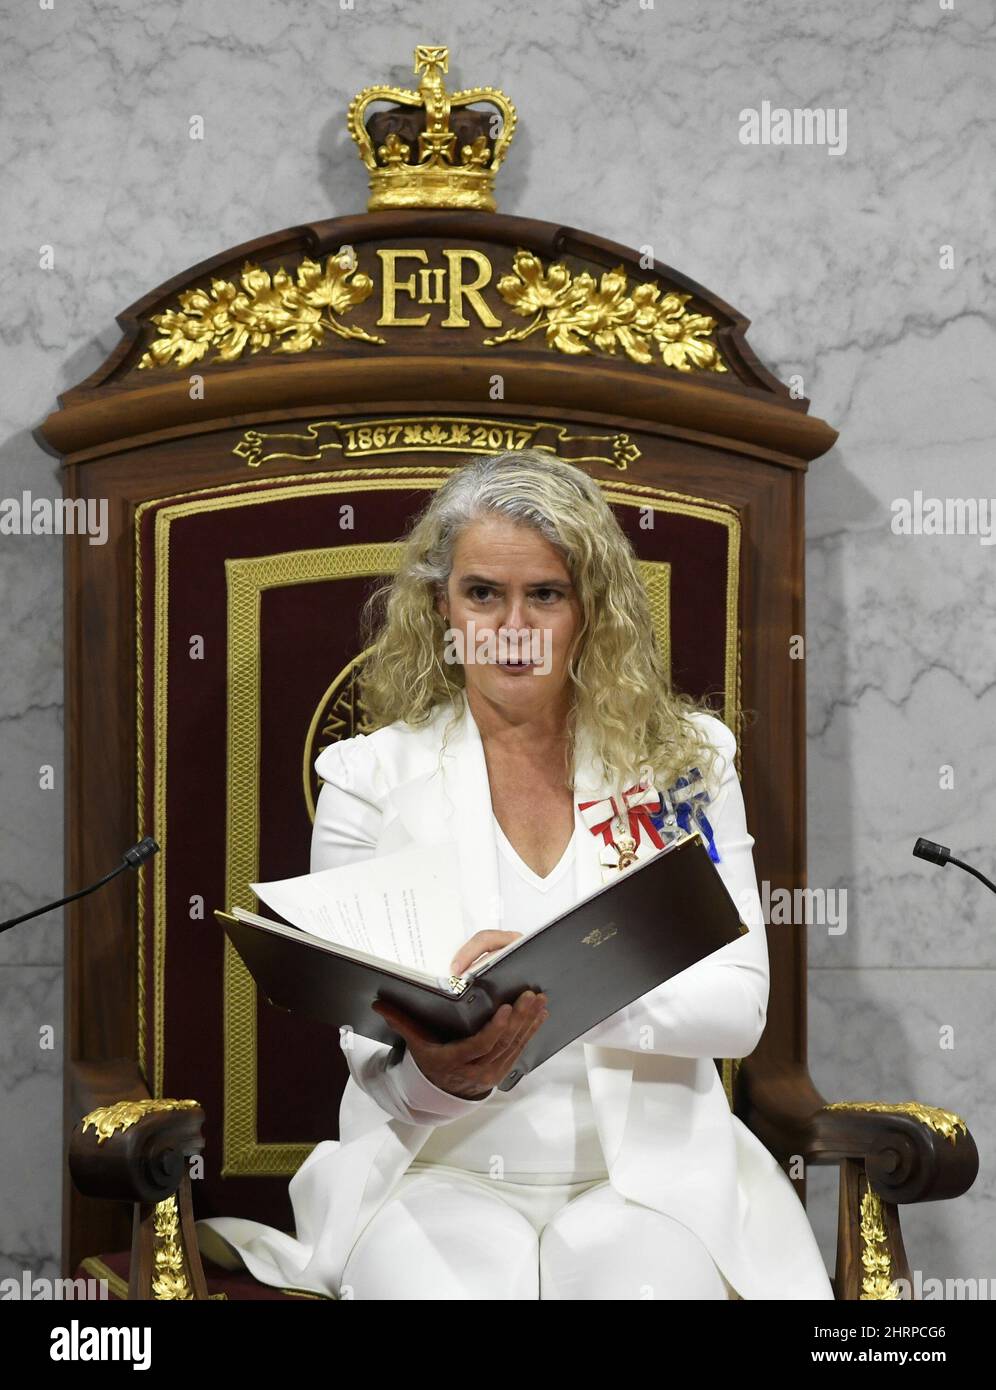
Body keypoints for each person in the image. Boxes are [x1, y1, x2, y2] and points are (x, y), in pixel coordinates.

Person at [196, 448, 835, 1300]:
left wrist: (555, 992)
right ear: (441, 607)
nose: (513, 626)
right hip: (431, 1175)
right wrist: (443, 1069)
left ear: (591, 610)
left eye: (546, 593)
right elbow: (364, 1043)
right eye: (482, 593)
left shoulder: (683, 765)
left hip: (649, 1184)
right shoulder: (366, 781)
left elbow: (736, 1012)